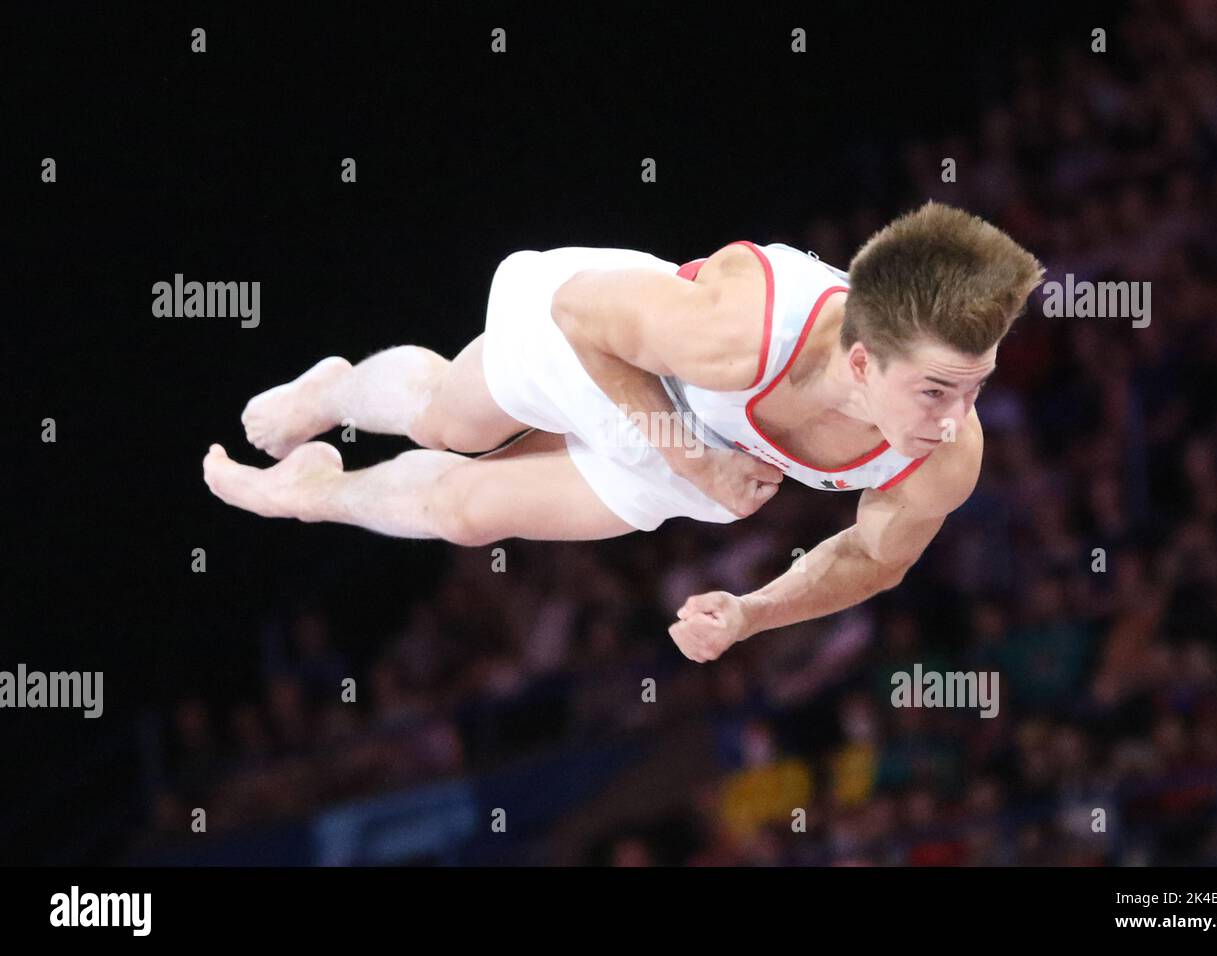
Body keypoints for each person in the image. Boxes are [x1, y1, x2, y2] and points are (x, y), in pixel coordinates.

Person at [203, 201, 1043, 662]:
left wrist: (750, 614)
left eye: (975, 387)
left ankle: (316, 492)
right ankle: (343, 391)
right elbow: (575, 316)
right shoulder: (740, 326)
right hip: (602, 340)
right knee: (453, 424)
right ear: (860, 363)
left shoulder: (945, 454)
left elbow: (873, 558)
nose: (956, 418)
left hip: (700, 456)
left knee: (468, 516)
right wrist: (693, 461)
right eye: (936, 390)